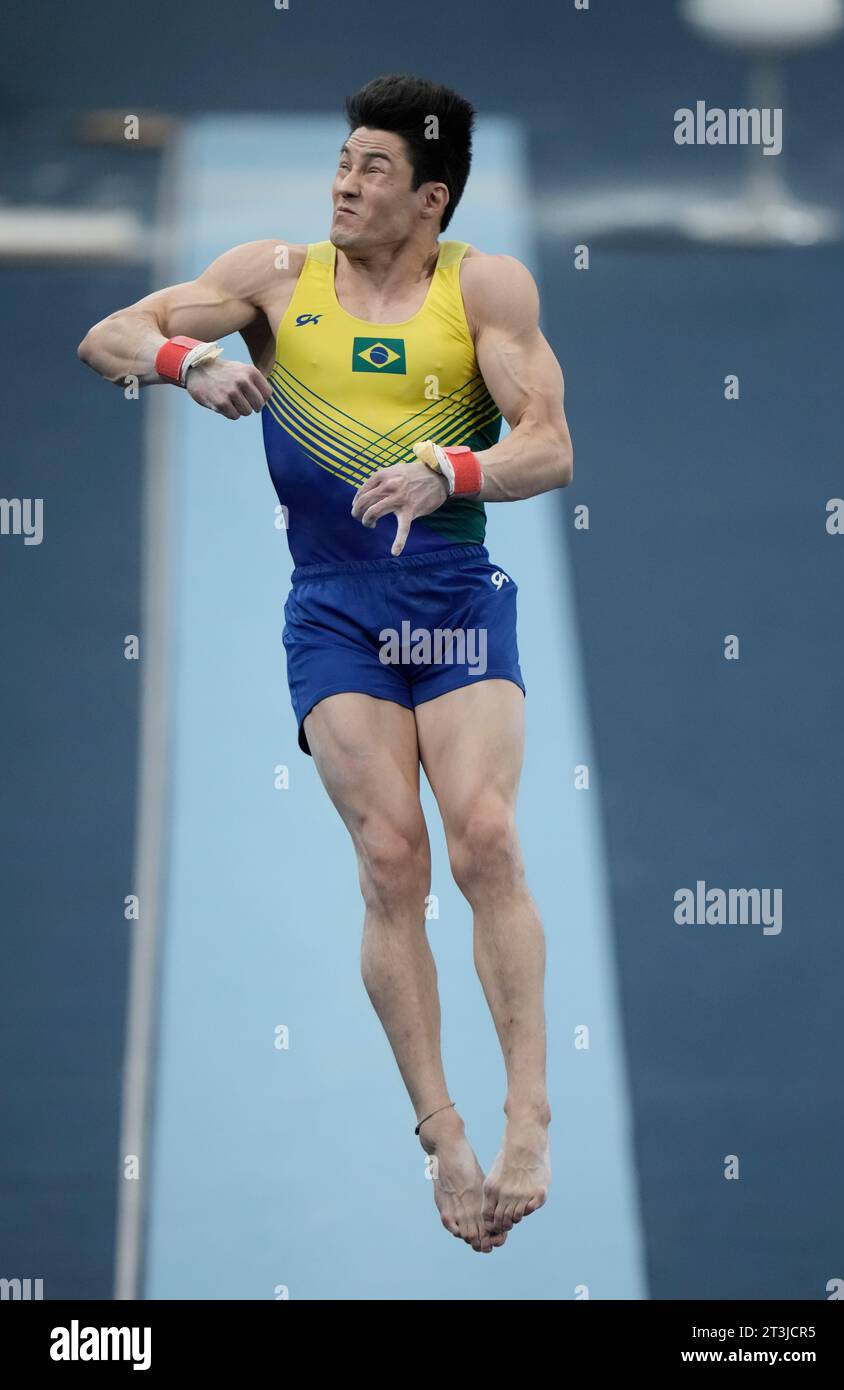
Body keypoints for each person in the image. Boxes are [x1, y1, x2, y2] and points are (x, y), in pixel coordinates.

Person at [78, 73, 572, 1255]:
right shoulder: (271, 277)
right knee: (390, 862)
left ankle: (528, 1112)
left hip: (453, 597)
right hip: (334, 611)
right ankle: (441, 1131)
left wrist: (446, 472)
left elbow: (548, 448)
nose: (345, 185)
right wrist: (182, 364)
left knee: (485, 838)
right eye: (343, 162)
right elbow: (106, 334)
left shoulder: (485, 289)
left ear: (430, 198)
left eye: (374, 171)